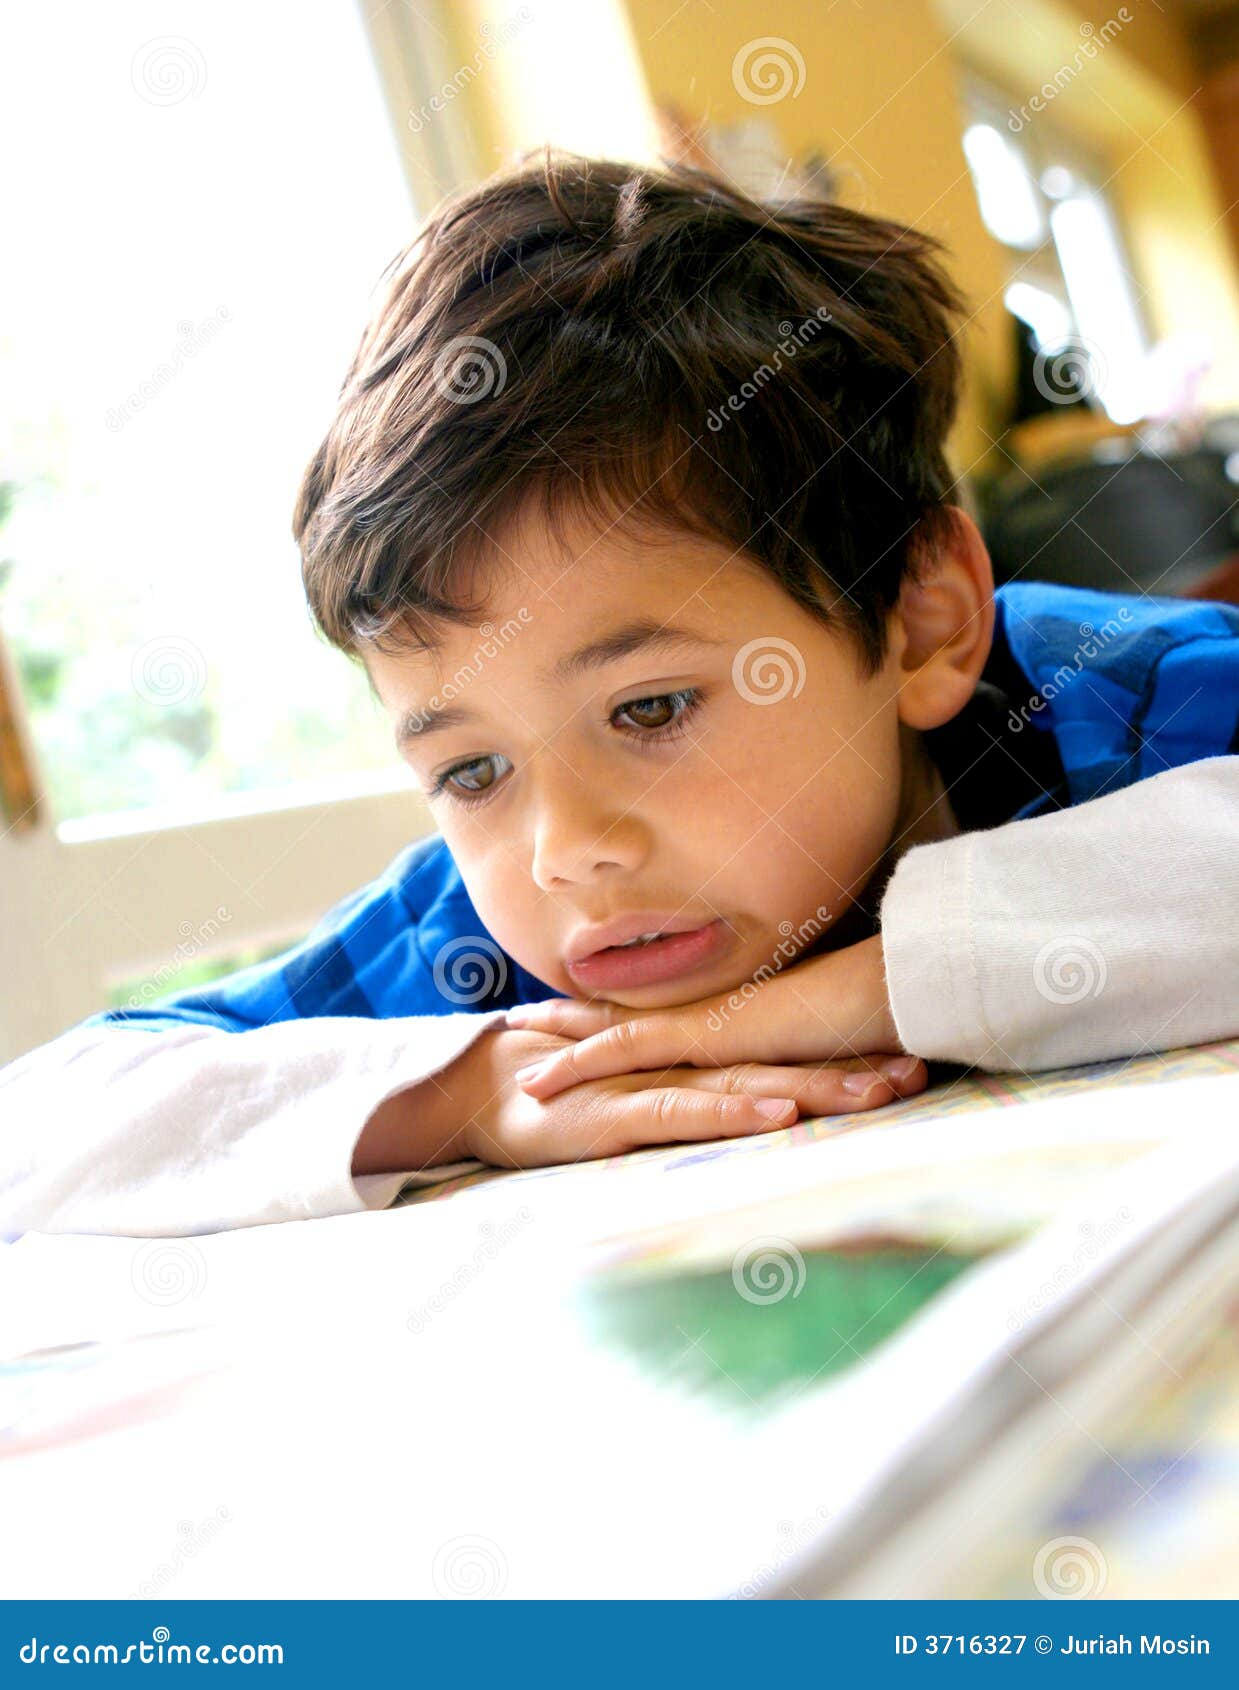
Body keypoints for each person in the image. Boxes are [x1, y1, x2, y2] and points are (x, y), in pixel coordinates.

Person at [3, 153, 1237, 1237]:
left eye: (648, 709)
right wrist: (468, 1090)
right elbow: (42, 1125)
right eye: (471, 772)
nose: (567, 851)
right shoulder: (485, 957)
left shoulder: (1125, 701)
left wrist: (873, 989)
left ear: (924, 620)